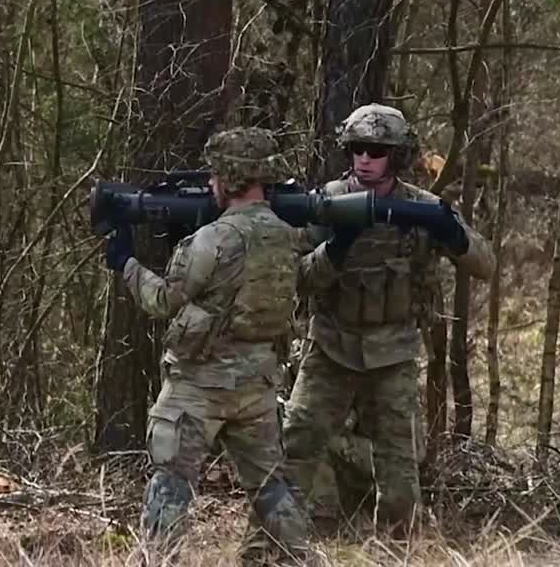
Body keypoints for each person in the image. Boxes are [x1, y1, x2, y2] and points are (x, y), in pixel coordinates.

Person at [104, 127, 314, 564]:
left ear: (228, 177)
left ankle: (158, 560)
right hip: (257, 383)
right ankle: (303, 558)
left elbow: (162, 300)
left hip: (199, 383)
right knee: (271, 485)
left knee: (172, 480)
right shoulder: (287, 235)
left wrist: (126, 263)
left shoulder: (213, 239)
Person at [283, 103, 494, 536]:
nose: (365, 158)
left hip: (394, 352)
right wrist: (336, 248)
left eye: (376, 150)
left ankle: (397, 550)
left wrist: (452, 235)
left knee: (399, 467)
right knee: (298, 443)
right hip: (330, 347)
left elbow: (486, 264)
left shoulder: (424, 207)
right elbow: (297, 279)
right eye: (358, 148)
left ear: (396, 156)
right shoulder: (327, 202)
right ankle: (276, 544)